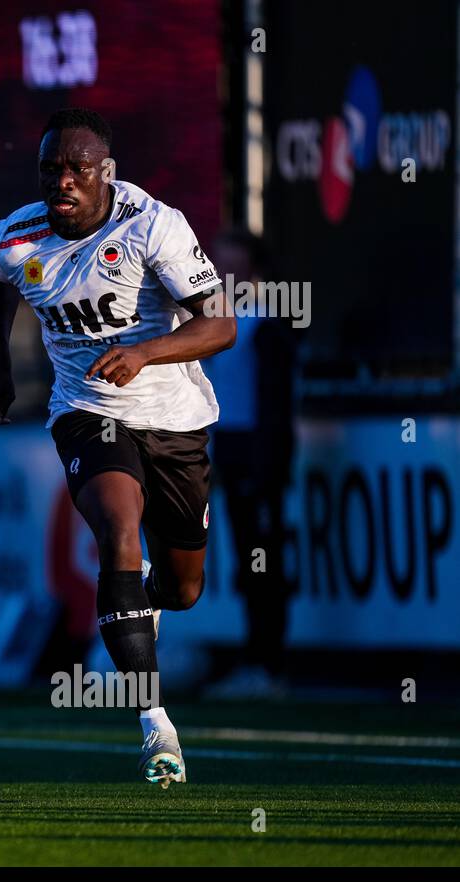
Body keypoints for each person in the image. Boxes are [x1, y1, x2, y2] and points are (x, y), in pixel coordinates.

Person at [0, 108, 235, 787]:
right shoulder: (13, 237)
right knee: (118, 532)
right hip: (85, 411)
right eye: (50, 170)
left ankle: (135, 603)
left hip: (174, 419)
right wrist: (0, 367)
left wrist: (145, 352)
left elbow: (221, 326)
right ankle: (156, 725)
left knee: (183, 589)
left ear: (105, 173)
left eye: (77, 170)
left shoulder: (153, 225)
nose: (62, 182)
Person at [201, 230, 295, 700]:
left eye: (234, 265)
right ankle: (255, 657)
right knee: (246, 560)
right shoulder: (218, 318)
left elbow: (275, 404)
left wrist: (266, 466)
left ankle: (269, 663)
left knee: (264, 560)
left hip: (259, 453)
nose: (224, 274)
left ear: (254, 268)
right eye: (220, 265)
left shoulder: (265, 320)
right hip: (233, 449)